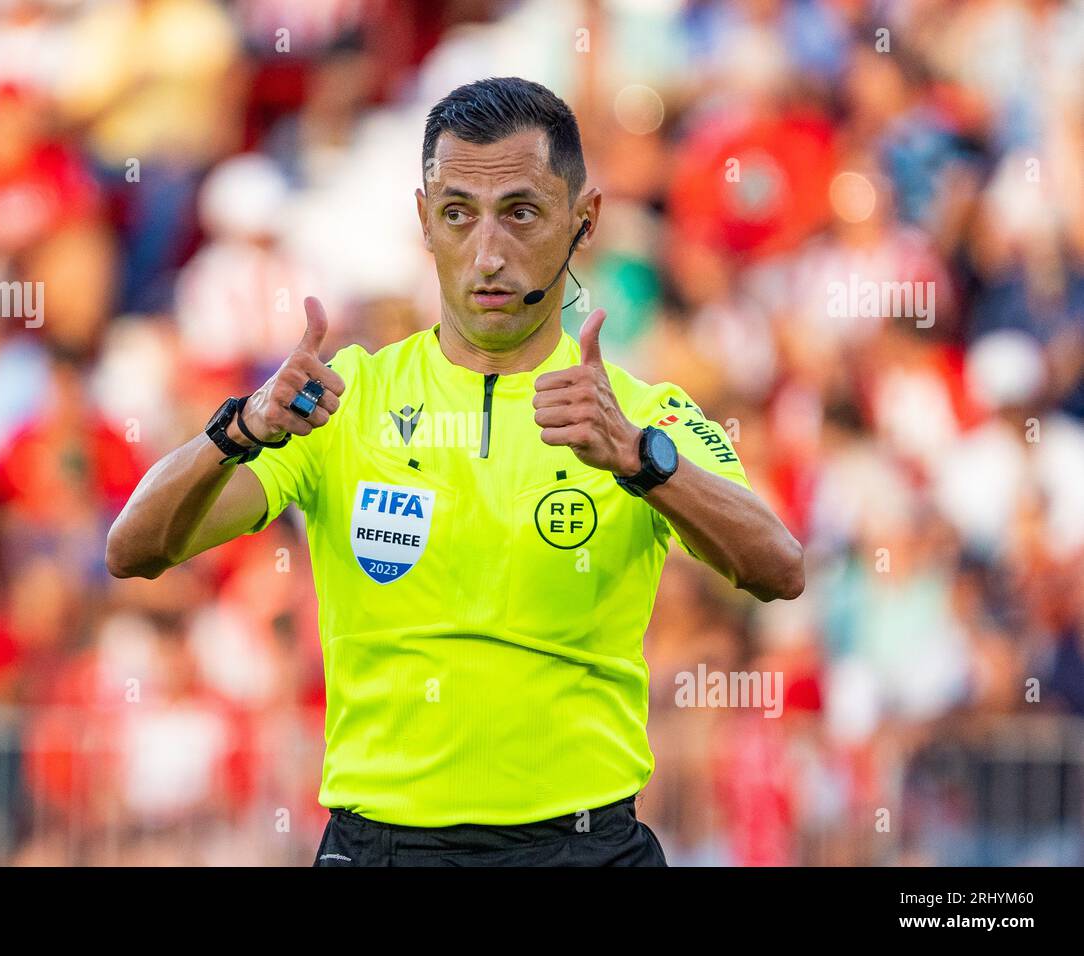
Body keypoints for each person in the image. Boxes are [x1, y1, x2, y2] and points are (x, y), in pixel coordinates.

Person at [106, 77, 804, 866]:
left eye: (521, 212)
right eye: (458, 214)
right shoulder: (341, 400)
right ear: (424, 222)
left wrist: (643, 461)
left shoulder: (640, 415)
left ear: (584, 221)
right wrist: (234, 429)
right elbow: (134, 549)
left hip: (583, 848)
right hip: (381, 848)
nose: (489, 253)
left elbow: (778, 567)